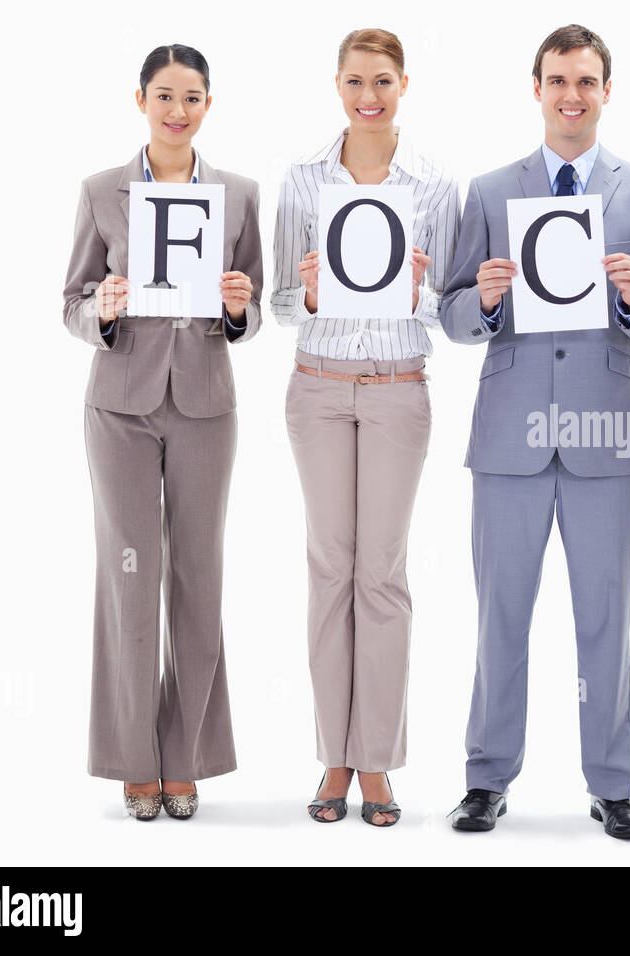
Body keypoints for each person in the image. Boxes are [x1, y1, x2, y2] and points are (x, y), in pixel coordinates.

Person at [439, 24, 630, 839]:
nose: (571, 96)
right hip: (510, 432)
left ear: (607, 91)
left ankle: (612, 784)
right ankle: (486, 777)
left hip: (605, 431)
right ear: (535, 89)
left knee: (605, 613)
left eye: (585, 82)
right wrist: (491, 299)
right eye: (557, 81)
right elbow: (453, 313)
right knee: (500, 611)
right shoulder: (489, 191)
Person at [62, 43, 262, 820]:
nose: (179, 111)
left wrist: (239, 305)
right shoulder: (101, 192)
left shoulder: (238, 194)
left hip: (206, 400)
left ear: (208, 105)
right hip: (120, 403)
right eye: (165, 96)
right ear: (140, 99)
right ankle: (133, 759)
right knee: (130, 573)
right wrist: (99, 311)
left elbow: (244, 315)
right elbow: (71, 298)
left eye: (193, 98)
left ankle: (187, 760)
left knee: (199, 577)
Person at [270, 28, 460, 826]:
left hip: (395, 389)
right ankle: (333, 759)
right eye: (354, 80)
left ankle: (376, 761)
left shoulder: (434, 186)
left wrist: (415, 288)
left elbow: (451, 310)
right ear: (337, 84)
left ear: (404, 84)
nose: (367, 94)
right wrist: (312, 294)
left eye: (381, 80)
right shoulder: (305, 178)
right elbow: (279, 302)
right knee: (329, 570)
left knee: (380, 573)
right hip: (317, 388)